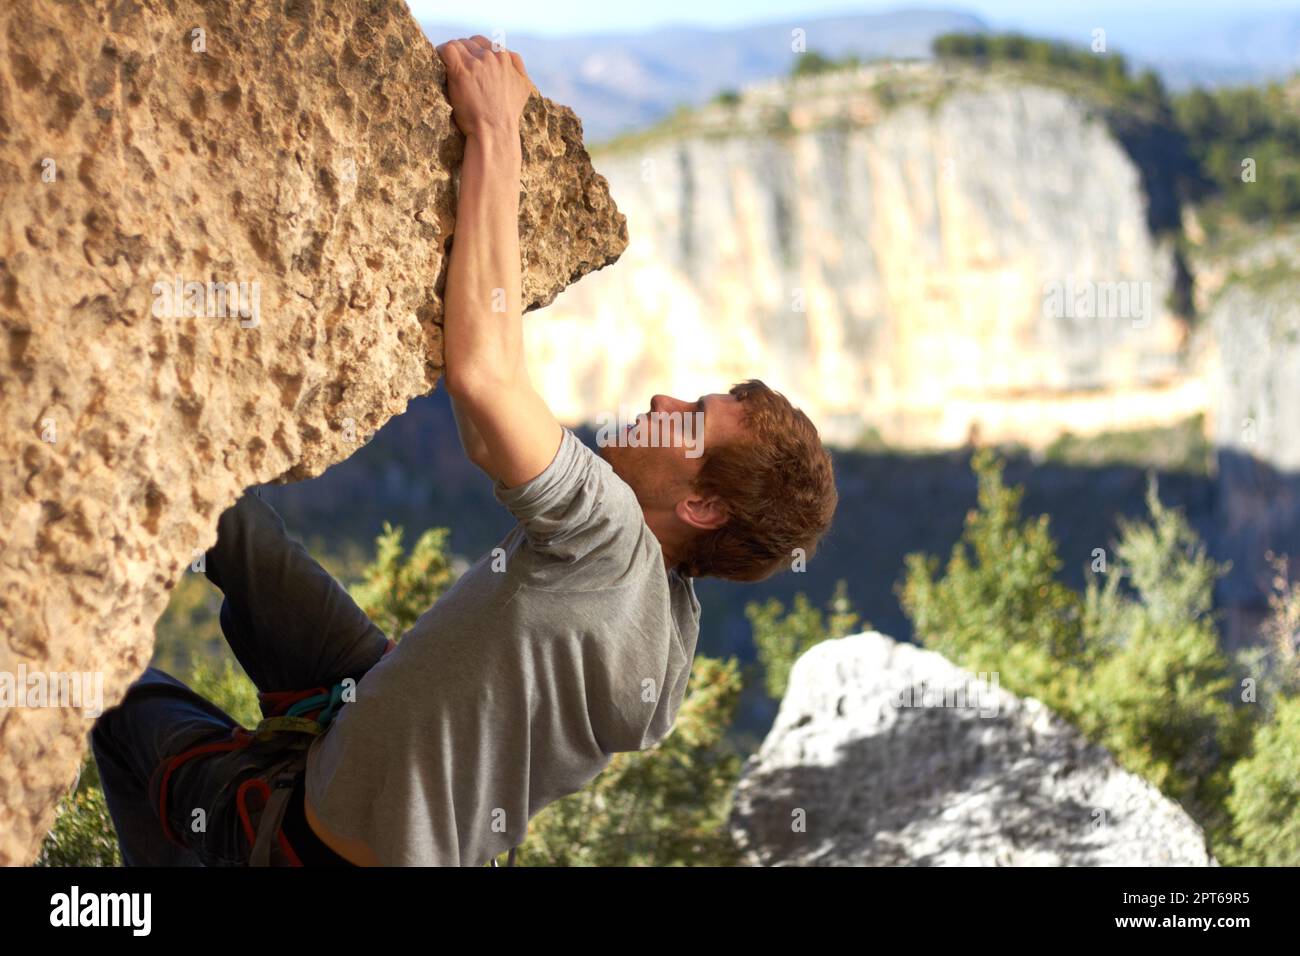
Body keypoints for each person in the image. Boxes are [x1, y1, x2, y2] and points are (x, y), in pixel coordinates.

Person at [90, 35, 837, 867]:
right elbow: (487, 430)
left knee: (115, 698)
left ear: (700, 506)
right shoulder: (669, 621)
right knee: (221, 512)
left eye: (692, 420)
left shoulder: (613, 541)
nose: (663, 402)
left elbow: (484, 375)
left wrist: (496, 131)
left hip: (317, 837)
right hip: (366, 705)